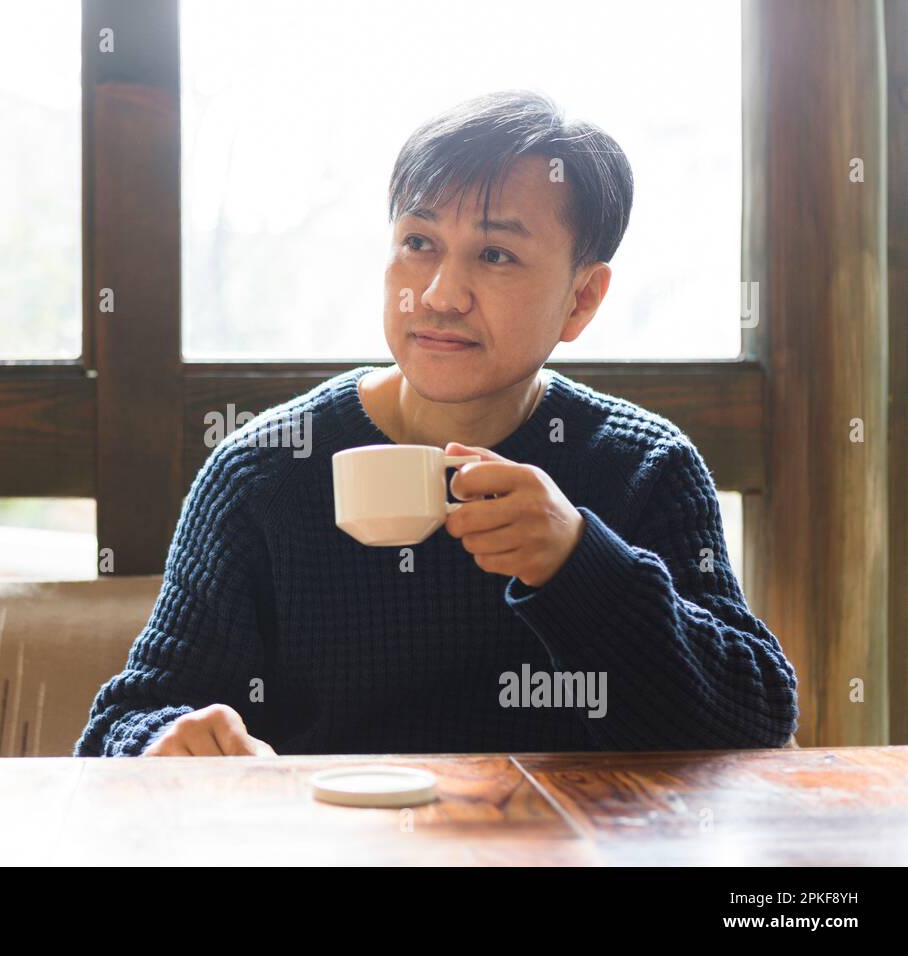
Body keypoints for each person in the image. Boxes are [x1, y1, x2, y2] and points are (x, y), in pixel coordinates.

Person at [75, 89, 799, 757]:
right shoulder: (264, 472)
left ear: (582, 299)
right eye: (419, 243)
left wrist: (580, 565)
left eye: (495, 254)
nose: (440, 294)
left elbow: (757, 716)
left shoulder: (643, 468)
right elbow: (127, 720)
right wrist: (165, 744)